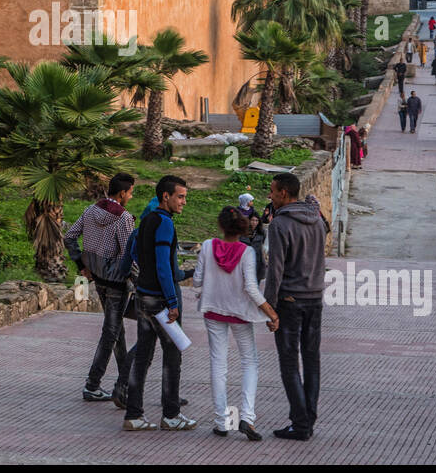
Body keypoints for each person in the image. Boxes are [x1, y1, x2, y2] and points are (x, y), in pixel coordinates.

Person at [194, 207, 278, 441]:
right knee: (249, 362)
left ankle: (221, 422)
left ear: (221, 226)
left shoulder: (208, 246)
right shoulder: (246, 252)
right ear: (241, 227)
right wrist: (270, 312)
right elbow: (250, 288)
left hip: (212, 311)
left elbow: (198, 280)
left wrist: (206, 287)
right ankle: (247, 418)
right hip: (240, 313)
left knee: (218, 364)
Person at [123, 175, 196, 431]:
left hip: (142, 295)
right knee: (172, 355)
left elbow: (133, 252)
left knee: (142, 356)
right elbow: (165, 265)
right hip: (160, 301)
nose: (184, 202)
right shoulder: (164, 223)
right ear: (166, 196)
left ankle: (133, 415)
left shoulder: (146, 220)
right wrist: (173, 301)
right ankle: (171, 414)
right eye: (180, 196)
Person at [265, 173, 329, 441]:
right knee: (311, 360)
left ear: (283, 193)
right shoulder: (317, 220)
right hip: (315, 298)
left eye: (272, 191)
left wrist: (269, 307)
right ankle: (307, 419)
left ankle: (300, 423)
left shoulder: (279, 224)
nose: (270, 196)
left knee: (290, 363)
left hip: (290, 301)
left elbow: (275, 269)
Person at [65, 172, 137, 403]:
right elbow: (128, 255)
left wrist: (81, 264)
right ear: (122, 193)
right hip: (117, 282)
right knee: (111, 333)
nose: (131, 197)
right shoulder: (123, 218)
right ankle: (92, 384)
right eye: (131, 192)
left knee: (116, 331)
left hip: (99, 279)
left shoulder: (90, 210)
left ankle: (125, 382)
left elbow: (69, 236)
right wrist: (140, 283)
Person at [239, 194, 267, 286]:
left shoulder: (261, 233)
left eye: (256, 221)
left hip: (257, 262)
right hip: (244, 262)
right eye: (252, 220)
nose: (254, 222)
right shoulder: (242, 233)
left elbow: (262, 246)